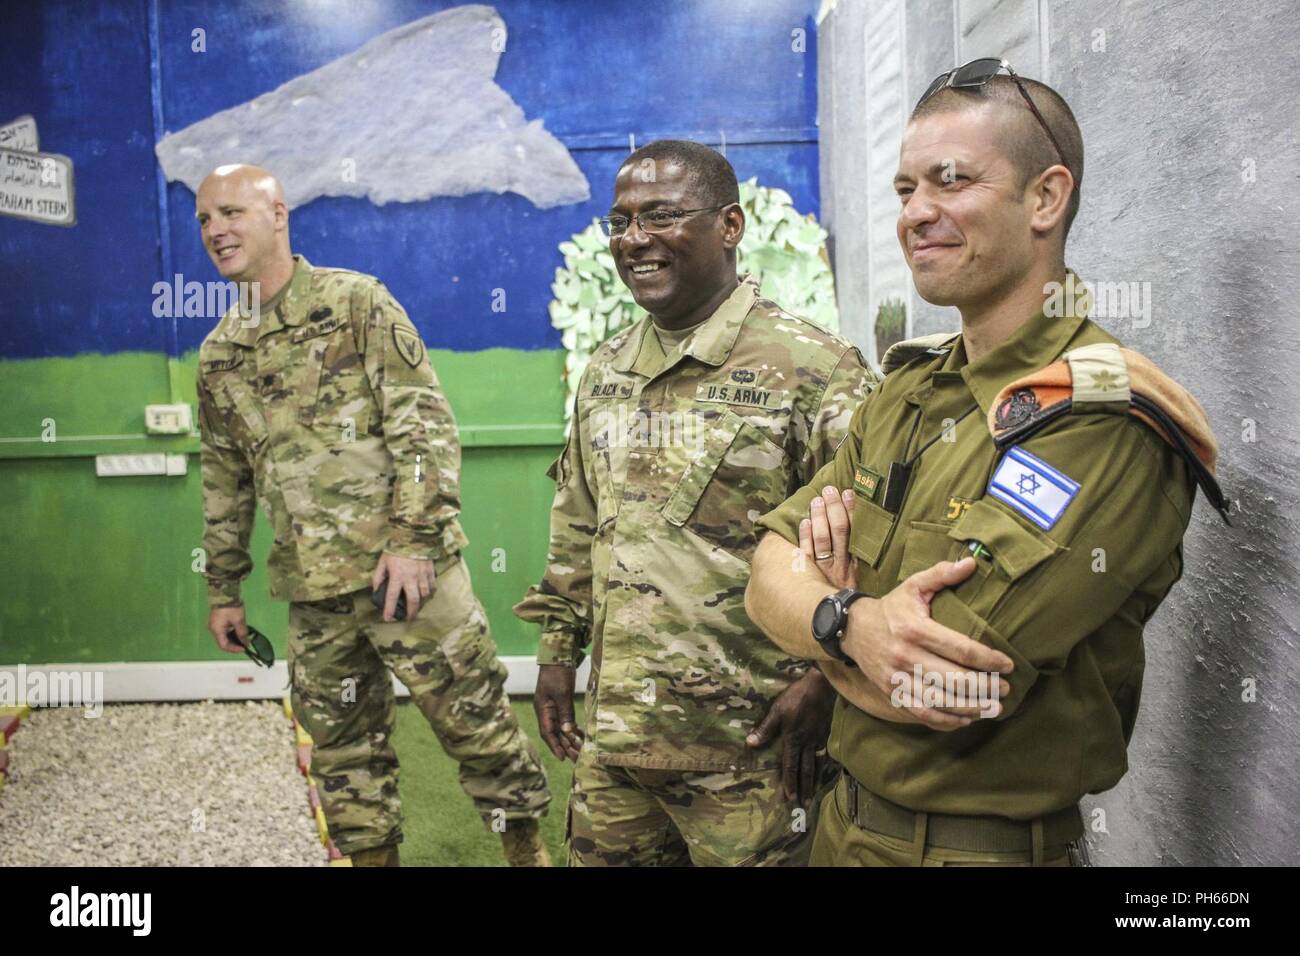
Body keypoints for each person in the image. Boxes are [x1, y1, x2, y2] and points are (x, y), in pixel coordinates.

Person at [745, 62, 1226, 866]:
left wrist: (826, 593)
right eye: (905, 190)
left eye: (952, 181)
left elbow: (941, 683)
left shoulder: (1101, 414)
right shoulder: (911, 388)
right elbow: (762, 575)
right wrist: (854, 620)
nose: (917, 214)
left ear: (1046, 198)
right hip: (841, 826)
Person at [514, 140, 877, 866]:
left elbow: (875, 545)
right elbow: (579, 523)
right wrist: (557, 652)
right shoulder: (608, 369)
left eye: (662, 216)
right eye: (620, 222)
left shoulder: (814, 369)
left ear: (731, 226)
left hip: (753, 754)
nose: (635, 240)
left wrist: (828, 678)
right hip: (617, 752)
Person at [194, 164, 551, 866]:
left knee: (477, 728)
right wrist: (223, 589)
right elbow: (225, 481)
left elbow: (423, 428)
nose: (216, 231)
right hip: (313, 593)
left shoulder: (355, 303)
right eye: (205, 220)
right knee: (344, 758)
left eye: (231, 213)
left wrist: (414, 538)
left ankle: (528, 855)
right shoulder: (219, 354)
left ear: (277, 214)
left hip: (406, 579)